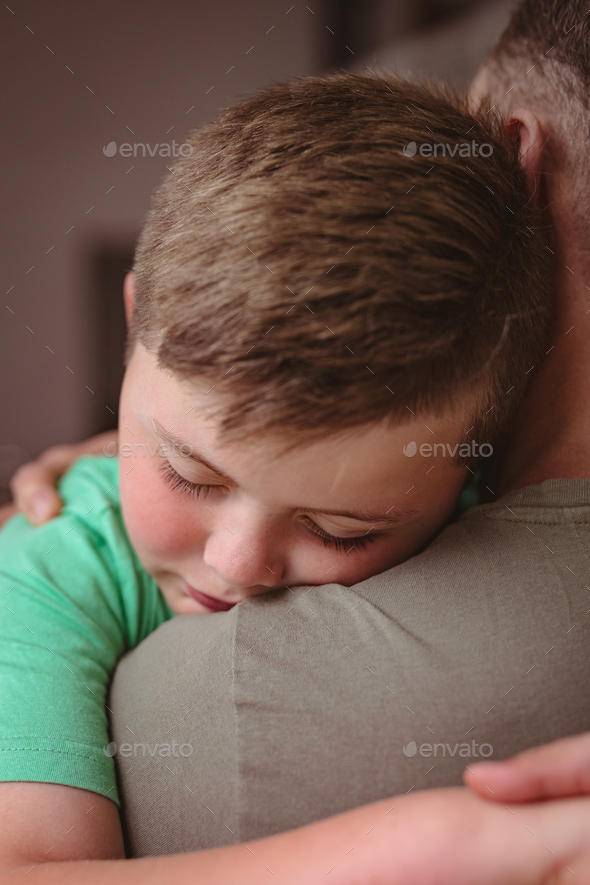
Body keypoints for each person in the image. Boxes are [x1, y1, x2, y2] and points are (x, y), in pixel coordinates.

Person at [0, 71, 559, 882]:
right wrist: (438, 848)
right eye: (190, 473)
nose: (236, 565)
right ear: (133, 327)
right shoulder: (48, 568)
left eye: (342, 529)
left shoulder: (490, 474)